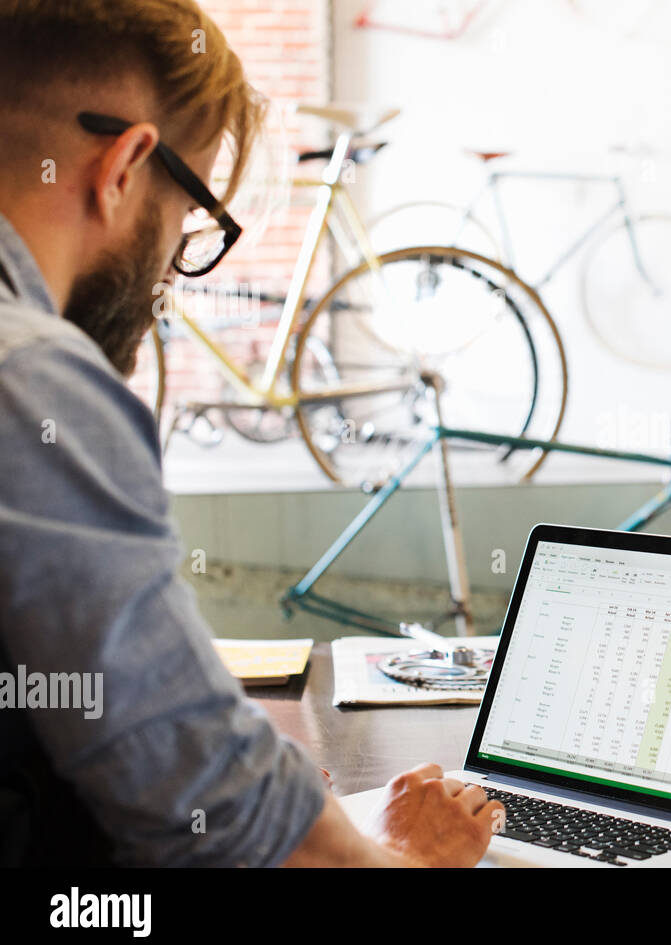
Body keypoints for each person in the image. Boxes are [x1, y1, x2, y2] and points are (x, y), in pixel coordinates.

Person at [0, 0, 502, 866]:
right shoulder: (33, 377)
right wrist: (404, 857)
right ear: (124, 167)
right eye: (190, 227)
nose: (171, 269)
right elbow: (217, 822)